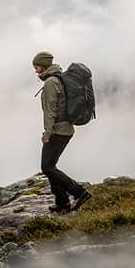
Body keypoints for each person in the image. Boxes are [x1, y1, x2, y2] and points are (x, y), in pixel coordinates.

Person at [33, 51, 92, 213]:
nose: (35, 70)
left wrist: (47, 132)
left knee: (47, 167)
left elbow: (50, 110)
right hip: (66, 128)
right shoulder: (58, 79)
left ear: (44, 65)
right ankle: (62, 202)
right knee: (51, 166)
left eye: (37, 66)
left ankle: (79, 192)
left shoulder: (51, 82)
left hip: (58, 130)